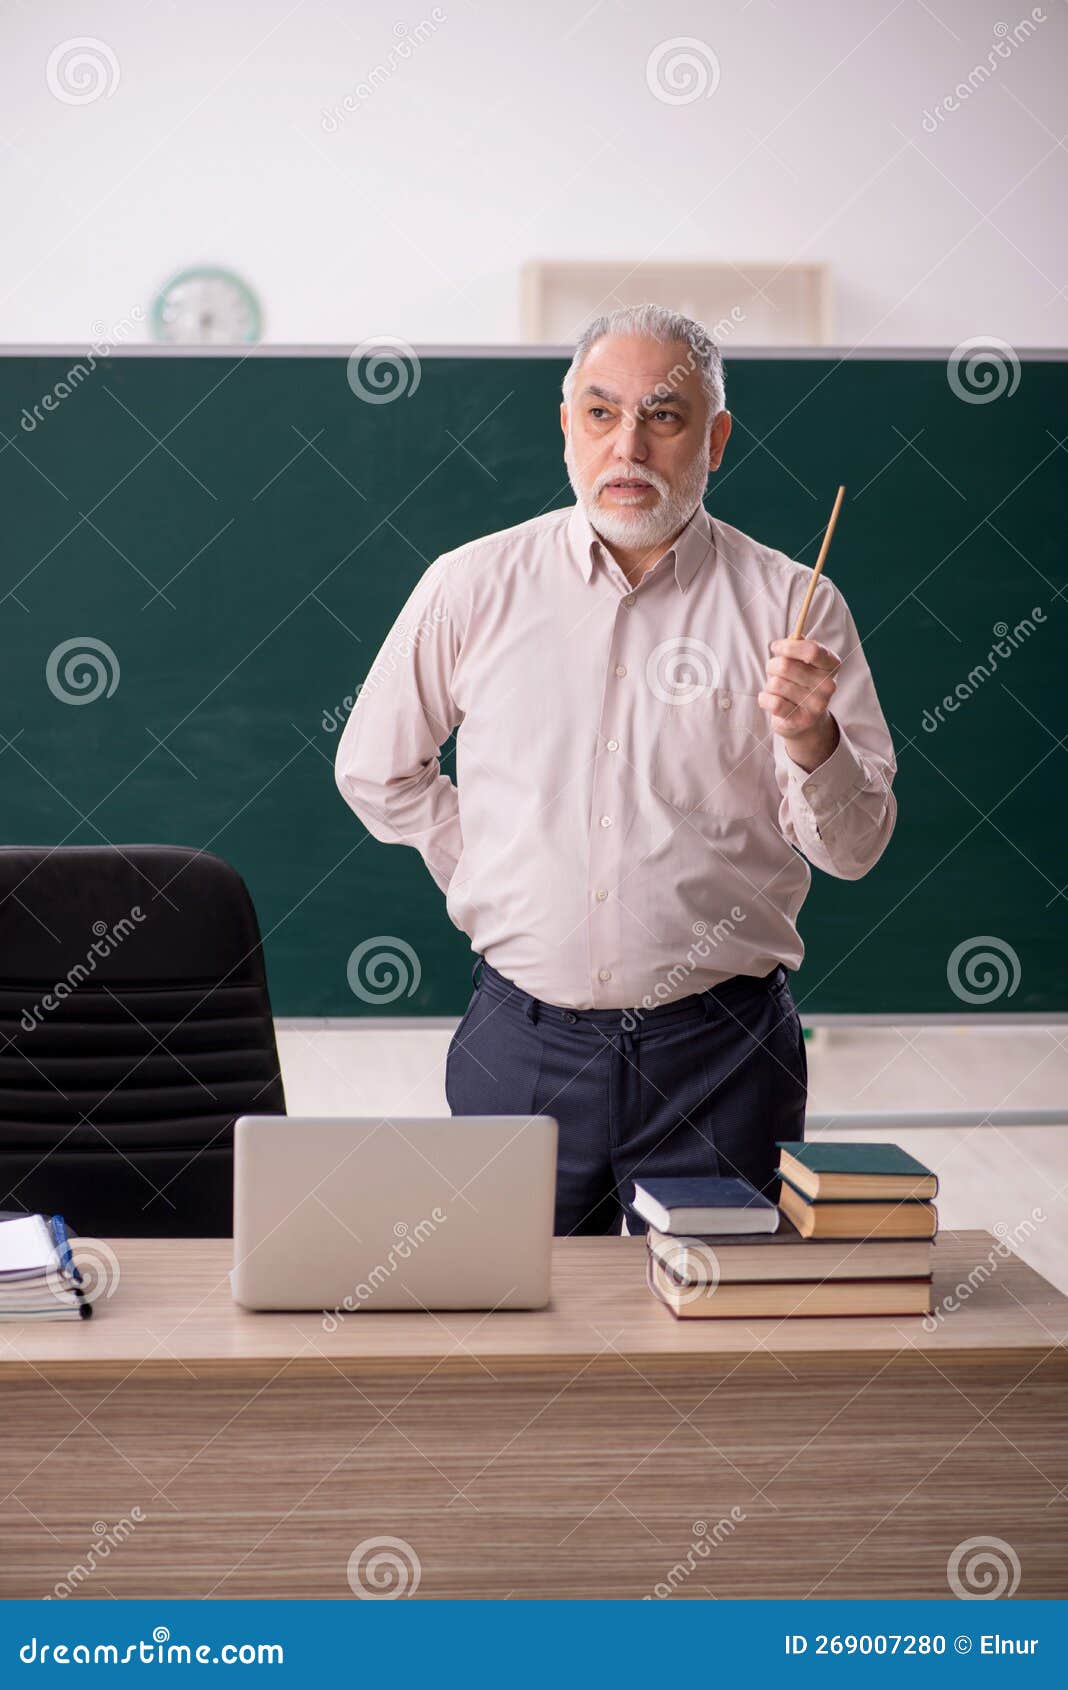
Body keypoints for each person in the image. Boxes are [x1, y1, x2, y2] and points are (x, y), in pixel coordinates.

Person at [335, 304, 897, 1235]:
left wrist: (811, 744)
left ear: (713, 438)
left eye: (664, 416)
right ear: (567, 427)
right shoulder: (471, 586)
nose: (628, 444)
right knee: (506, 1331)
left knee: (709, 1352)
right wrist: (486, 863)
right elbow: (376, 771)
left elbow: (856, 849)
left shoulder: (796, 607)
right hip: (520, 1047)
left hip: (723, 1058)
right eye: (601, 414)